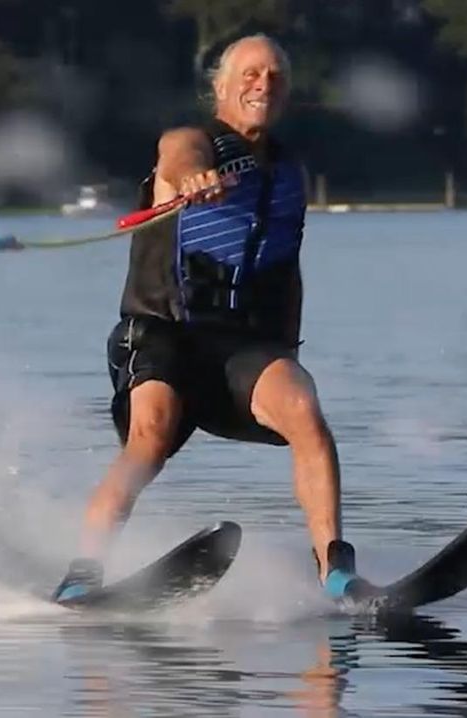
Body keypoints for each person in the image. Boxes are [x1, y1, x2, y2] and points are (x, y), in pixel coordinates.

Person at [53, 34, 367, 603]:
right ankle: (83, 575)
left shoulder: (288, 173)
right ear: (220, 87)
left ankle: (337, 572)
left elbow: (286, 268)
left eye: (274, 76)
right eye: (249, 74)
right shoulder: (190, 141)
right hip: (159, 331)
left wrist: (287, 356)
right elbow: (176, 157)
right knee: (150, 437)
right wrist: (193, 174)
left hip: (238, 348)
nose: (262, 84)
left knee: (305, 411)